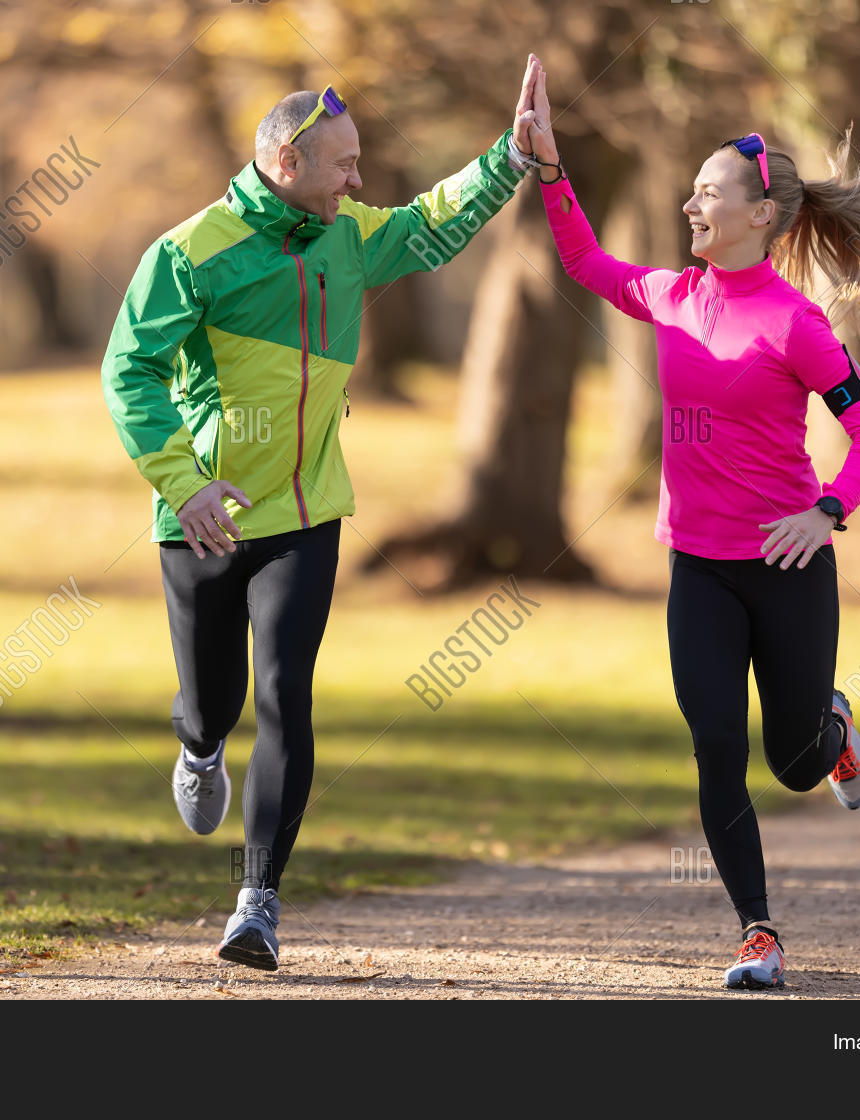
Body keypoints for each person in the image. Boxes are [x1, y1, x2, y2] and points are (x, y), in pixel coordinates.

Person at [102, 59, 547, 971]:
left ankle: (256, 900)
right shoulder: (189, 251)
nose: (357, 181)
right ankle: (195, 745)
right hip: (204, 518)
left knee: (283, 694)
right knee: (213, 702)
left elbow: (432, 224)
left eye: (359, 164)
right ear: (285, 160)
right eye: (342, 165)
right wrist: (184, 484)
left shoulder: (347, 237)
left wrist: (512, 157)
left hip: (307, 512)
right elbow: (128, 371)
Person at [521, 56, 860, 989]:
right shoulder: (674, 296)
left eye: (708, 194)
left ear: (763, 215)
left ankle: (829, 732)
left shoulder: (798, 324)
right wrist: (551, 169)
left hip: (788, 568)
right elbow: (588, 263)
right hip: (699, 571)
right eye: (690, 192)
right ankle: (758, 932)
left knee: (791, 765)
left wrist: (826, 509)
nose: (689, 206)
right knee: (716, 742)